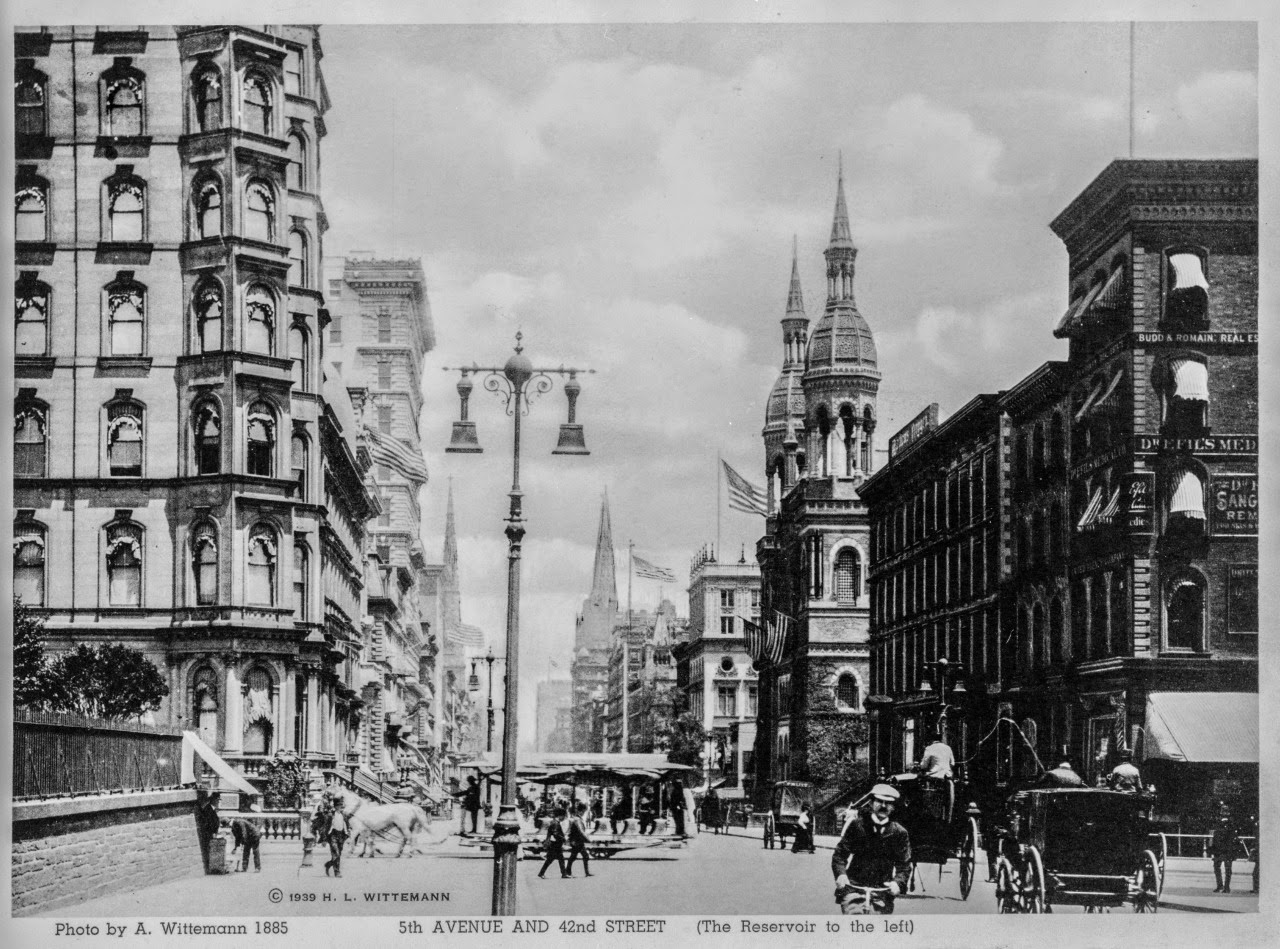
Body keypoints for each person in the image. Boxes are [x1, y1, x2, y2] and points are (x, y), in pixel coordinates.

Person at [831, 784, 912, 915]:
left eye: (888, 803)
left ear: (893, 807)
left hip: (882, 892)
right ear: (872, 803)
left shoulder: (899, 833)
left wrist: (897, 883)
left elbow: (904, 865)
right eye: (880, 801)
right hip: (854, 888)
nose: (884, 806)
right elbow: (839, 855)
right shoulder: (858, 826)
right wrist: (841, 875)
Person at [1210, 806, 1237, 893]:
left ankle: (1223, 886)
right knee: (1223, 868)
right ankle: (1223, 886)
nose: (1223, 813)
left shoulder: (1228, 823)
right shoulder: (1227, 823)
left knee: (1223, 868)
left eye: (1225, 811)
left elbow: (1219, 837)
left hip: (1224, 850)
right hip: (1223, 850)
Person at [538, 806, 570, 879]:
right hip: (555, 844)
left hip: (555, 844)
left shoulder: (554, 822)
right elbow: (555, 834)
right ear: (560, 815)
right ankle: (563, 874)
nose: (564, 818)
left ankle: (563, 873)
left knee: (556, 859)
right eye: (564, 816)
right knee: (553, 860)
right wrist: (563, 839)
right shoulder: (556, 823)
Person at [195, 789, 222, 873]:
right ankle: (209, 869)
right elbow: (208, 823)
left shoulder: (211, 809)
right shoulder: (208, 809)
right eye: (217, 800)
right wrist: (213, 832)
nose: (218, 802)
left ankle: (210, 868)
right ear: (213, 800)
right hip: (208, 834)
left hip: (211, 834)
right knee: (208, 851)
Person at [564, 802, 594, 877]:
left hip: (577, 841)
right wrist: (589, 840)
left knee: (576, 856)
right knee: (580, 856)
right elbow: (581, 831)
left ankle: (569, 872)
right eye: (583, 811)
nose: (584, 813)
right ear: (581, 811)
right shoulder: (577, 819)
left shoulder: (576, 819)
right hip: (577, 841)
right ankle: (569, 872)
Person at [326, 794, 349, 877]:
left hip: (341, 836)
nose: (340, 807)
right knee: (336, 853)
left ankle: (328, 864)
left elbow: (346, 825)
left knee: (339, 854)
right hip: (333, 835)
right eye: (339, 806)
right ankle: (337, 872)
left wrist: (347, 834)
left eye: (341, 806)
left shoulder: (344, 815)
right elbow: (327, 827)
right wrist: (326, 837)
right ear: (335, 807)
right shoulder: (331, 815)